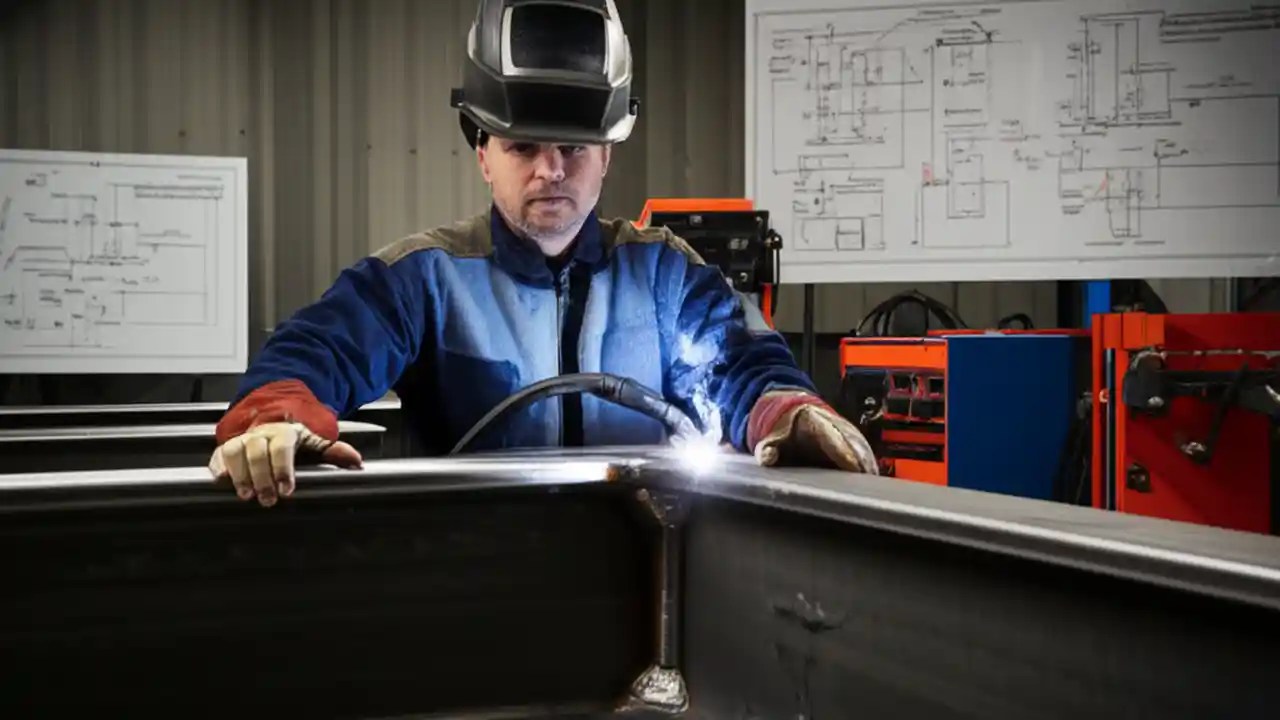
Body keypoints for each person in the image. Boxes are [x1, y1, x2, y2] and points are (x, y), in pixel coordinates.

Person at [209, 0, 877, 507]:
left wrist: (788, 410)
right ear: (483, 154)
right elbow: (316, 349)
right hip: (478, 581)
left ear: (607, 155)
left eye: (574, 150)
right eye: (524, 148)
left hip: (645, 576)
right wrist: (278, 418)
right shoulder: (424, 280)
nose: (551, 172)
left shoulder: (666, 276)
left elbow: (741, 363)